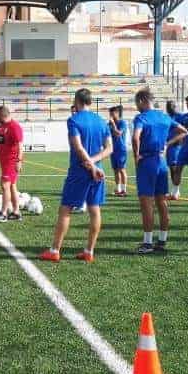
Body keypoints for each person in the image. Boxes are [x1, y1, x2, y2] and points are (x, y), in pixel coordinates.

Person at [40, 89, 112, 263]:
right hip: (98, 172)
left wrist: (90, 165)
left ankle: (55, 250)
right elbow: (110, 148)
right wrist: (94, 164)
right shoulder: (101, 121)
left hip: (79, 171)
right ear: (90, 101)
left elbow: (78, 148)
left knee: (65, 210)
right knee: (95, 210)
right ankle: (89, 251)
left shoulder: (74, 120)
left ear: (77, 101)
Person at [131, 89, 187, 254]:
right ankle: (162, 240)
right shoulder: (164, 117)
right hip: (161, 162)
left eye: (136, 103)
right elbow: (184, 131)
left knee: (147, 204)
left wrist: (136, 156)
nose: (136, 106)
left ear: (142, 101)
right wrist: (167, 144)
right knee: (162, 202)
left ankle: (147, 243)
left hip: (147, 162)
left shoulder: (141, 118)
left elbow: (135, 137)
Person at [165, 100, 187, 200]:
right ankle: (174, 191)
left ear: (175, 106)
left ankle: (176, 192)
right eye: (168, 106)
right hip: (169, 146)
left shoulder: (180, 116)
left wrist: (180, 140)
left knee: (175, 168)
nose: (170, 107)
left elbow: (185, 130)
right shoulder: (166, 117)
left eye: (172, 106)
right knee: (171, 168)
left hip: (177, 145)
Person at [108, 105, 129, 197]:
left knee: (122, 169)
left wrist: (113, 124)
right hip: (113, 149)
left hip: (121, 149)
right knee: (115, 170)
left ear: (117, 113)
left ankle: (124, 190)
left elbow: (118, 134)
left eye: (112, 113)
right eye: (110, 114)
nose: (111, 115)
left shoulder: (122, 123)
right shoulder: (109, 124)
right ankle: (118, 189)